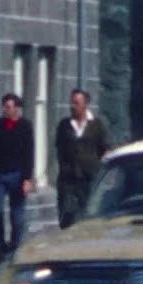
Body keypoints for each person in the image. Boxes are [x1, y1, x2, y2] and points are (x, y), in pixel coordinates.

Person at [0, 93, 35, 266]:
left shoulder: (25, 126)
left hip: (17, 175)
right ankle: (0, 243)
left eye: (9, 106)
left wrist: (27, 178)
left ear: (17, 108)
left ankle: (14, 247)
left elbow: (29, 153)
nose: (6, 109)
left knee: (16, 215)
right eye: (4, 106)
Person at [54, 88, 110, 230]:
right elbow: (59, 148)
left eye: (77, 103)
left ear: (85, 104)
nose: (73, 106)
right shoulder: (64, 125)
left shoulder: (96, 125)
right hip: (68, 179)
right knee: (67, 215)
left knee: (88, 213)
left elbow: (104, 149)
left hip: (89, 178)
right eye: (71, 103)